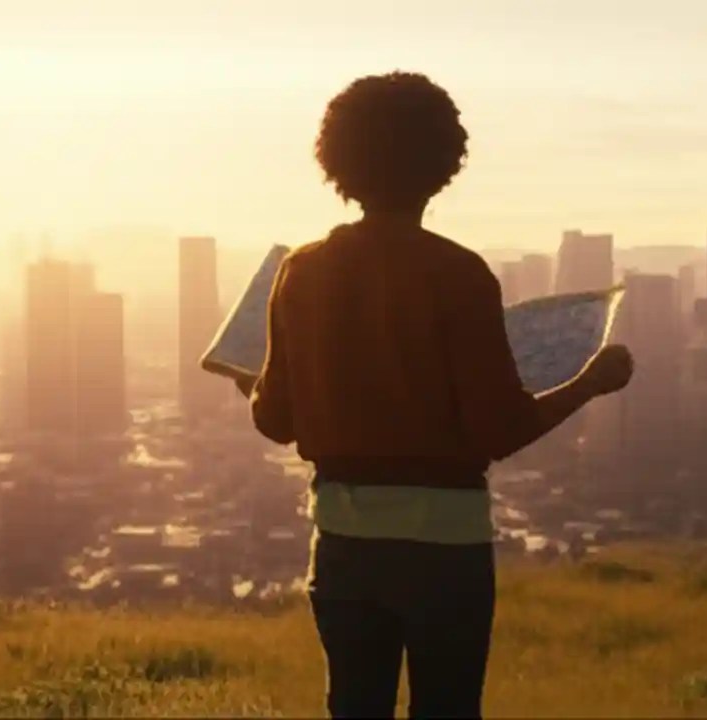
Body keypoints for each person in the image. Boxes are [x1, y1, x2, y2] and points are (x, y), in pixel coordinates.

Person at [238, 71, 634, 720]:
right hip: (446, 550)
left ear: (337, 161)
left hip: (343, 543)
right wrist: (590, 383)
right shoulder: (459, 275)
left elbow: (276, 420)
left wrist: (253, 384)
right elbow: (501, 430)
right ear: (444, 164)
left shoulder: (300, 272)